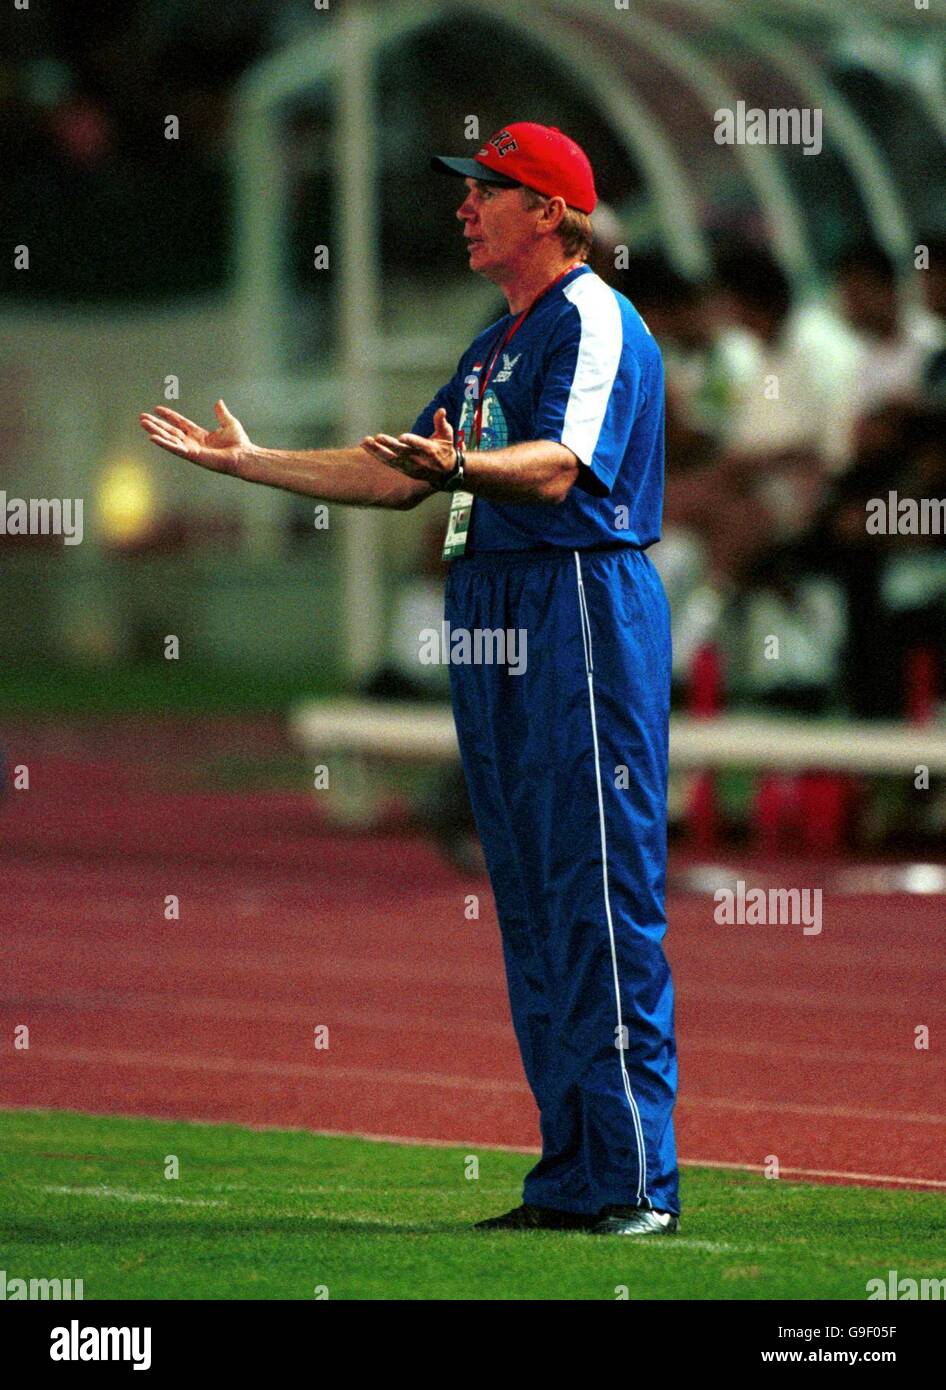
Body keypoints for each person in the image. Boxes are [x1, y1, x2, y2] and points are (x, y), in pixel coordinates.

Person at [139, 120, 679, 1237]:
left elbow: (558, 467)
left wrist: (464, 467)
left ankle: (633, 1182)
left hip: (573, 600)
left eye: (486, 188)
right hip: (494, 606)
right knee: (530, 903)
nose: (463, 205)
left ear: (548, 211)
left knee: (595, 894)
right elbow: (400, 474)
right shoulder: (497, 344)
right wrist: (250, 465)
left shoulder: (590, 320)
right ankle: (573, 1175)